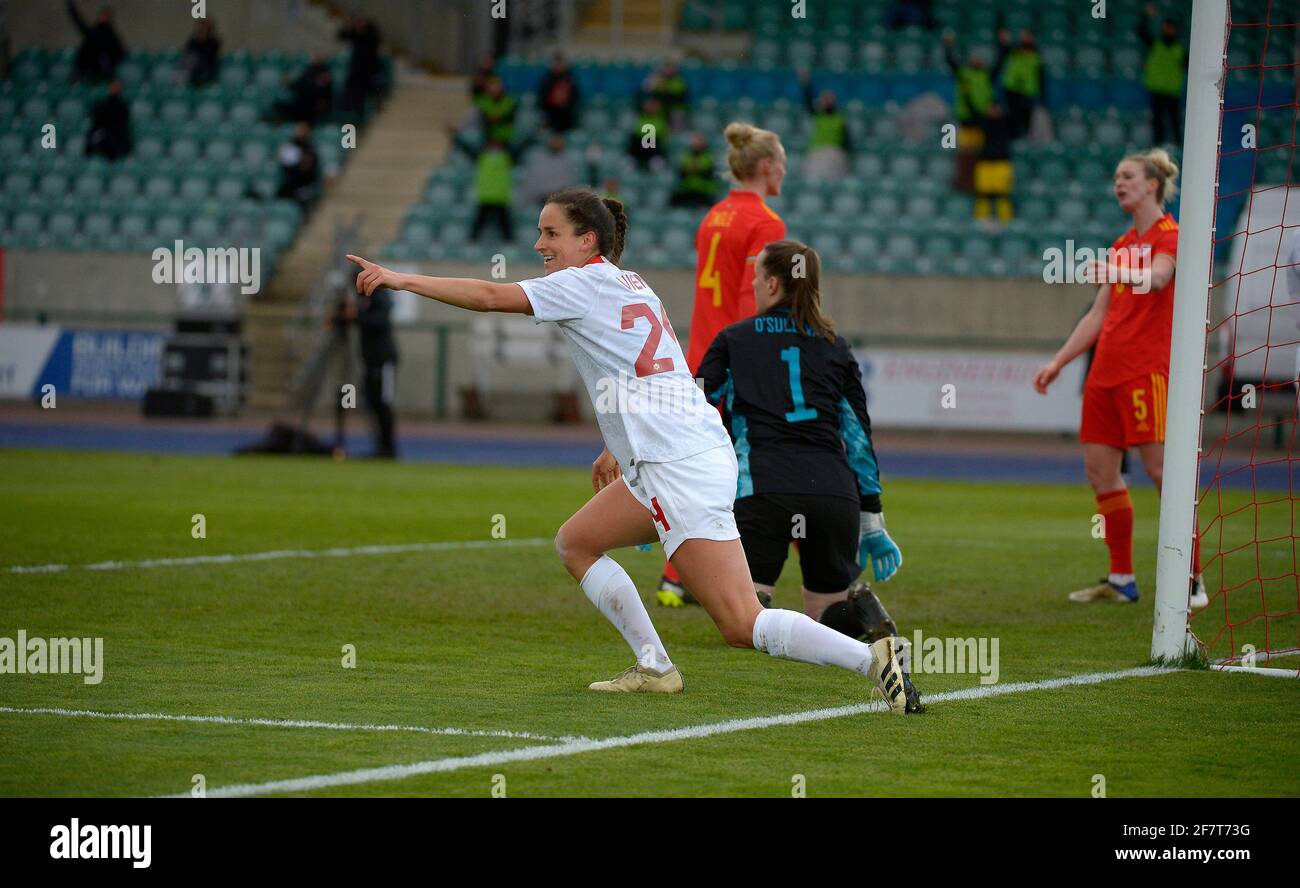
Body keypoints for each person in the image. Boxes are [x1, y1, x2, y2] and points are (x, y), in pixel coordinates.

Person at [344, 189, 911, 712]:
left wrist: (400, 279)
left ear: (587, 240)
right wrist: (614, 445)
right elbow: (641, 370)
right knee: (577, 543)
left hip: (675, 464)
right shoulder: (629, 281)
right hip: (672, 454)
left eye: (550, 233)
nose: (539, 244)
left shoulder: (582, 283)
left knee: (741, 623)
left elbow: (493, 295)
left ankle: (872, 659)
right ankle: (654, 665)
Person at [698, 239, 920, 712]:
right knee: (823, 616)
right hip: (834, 494)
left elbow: (693, 411)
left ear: (773, 283)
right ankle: (860, 612)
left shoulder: (734, 340)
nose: (754, 285)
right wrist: (872, 516)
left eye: (758, 276)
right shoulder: (834, 347)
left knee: (744, 617)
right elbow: (858, 436)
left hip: (764, 490)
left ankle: (835, 626)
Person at [1032, 149, 1206, 608]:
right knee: (1100, 473)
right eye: (1115, 177)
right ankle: (1122, 579)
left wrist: (1117, 272)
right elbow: (1098, 315)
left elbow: (1159, 279)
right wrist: (1060, 362)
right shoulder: (1122, 242)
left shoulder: (1172, 235)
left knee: (1161, 472)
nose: (1118, 184)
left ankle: (1192, 579)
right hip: (1105, 375)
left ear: (1152, 183)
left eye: (1127, 176)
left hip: (1146, 371)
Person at [657, 121, 786, 607]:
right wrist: (754, 364)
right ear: (768, 166)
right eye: (783, 165)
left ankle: (676, 576)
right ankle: (748, 581)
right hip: (733, 363)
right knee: (754, 470)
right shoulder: (767, 224)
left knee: (696, 471)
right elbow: (746, 299)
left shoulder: (713, 216)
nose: (785, 174)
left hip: (698, 358)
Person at [943, 31, 1002, 194]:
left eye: (980, 58)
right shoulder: (963, 74)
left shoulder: (987, 75)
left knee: (979, 156)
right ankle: (962, 183)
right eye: (974, 57)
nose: (977, 60)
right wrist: (948, 46)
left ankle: (977, 185)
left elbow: (1000, 63)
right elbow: (950, 62)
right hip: (965, 122)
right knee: (964, 155)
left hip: (982, 124)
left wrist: (1003, 45)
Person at [350, 286, 399, 458]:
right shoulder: (362, 299)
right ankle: (380, 446)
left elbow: (380, 320)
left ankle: (388, 448)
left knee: (383, 404)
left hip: (383, 361)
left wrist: (357, 316)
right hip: (370, 362)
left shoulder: (380, 296)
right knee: (372, 403)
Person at [1138, 5, 1186, 146]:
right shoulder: (1155, 44)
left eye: (1171, 27)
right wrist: (1147, 16)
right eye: (1166, 26)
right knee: (1157, 122)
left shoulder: (1180, 50)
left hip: (1172, 91)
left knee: (1174, 121)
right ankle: (1157, 148)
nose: (1168, 29)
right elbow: (1141, 31)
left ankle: (1178, 147)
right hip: (1156, 89)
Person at [799, 71, 850, 180]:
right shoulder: (818, 115)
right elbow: (808, 101)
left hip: (834, 153)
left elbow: (847, 140)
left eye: (829, 98)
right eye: (824, 98)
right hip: (818, 151)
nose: (826, 101)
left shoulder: (840, 119)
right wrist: (806, 83)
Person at [998, 28, 1046, 140]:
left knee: (1026, 121)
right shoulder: (1014, 51)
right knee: (1011, 120)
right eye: (1024, 36)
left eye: (1028, 36)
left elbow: (1040, 77)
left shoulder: (1036, 55)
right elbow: (1003, 51)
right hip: (1012, 90)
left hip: (1028, 92)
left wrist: (1043, 97)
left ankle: (1025, 142)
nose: (1026, 39)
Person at [973, 101, 1015, 227]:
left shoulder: (1007, 123)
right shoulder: (983, 123)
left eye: (997, 108)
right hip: (985, 164)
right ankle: (981, 223)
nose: (994, 111)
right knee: (983, 196)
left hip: (1002, 163)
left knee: (1003, 196)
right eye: (992, 108)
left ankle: (1006, 224)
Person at [67, 1, 124, 83]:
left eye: (106, 16)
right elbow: (79, 22)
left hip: (100, 70)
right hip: (85, 67)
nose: (103, 18)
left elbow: (119, 52)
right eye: (102, 15)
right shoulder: (93, 31)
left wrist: (107, 61)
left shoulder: (111, 35)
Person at [337, 15, 384, 115]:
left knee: (373, 87)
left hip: (370, 67)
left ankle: (376, 105)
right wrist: (347, 26)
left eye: (361, 23)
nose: (359, 26)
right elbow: (341, 36)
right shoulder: (354, 34)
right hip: (357, 67)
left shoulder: (371, 35)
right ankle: (353, 111)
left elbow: (376, 42)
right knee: (352, 88)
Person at [520, 133, 578, 208]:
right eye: (554, 142)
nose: (556, 144)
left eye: (559, 142)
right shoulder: (540, 160)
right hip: (543, 199)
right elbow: (531, 183)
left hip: (562, 198)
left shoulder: (569, 161)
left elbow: (572, 182)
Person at [276, 54, 334, 124]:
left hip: (312, 104)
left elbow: (319, 90)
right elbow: (299, 84)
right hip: (301, 100)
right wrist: (289, 84)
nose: (314, 57)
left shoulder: (324, 73)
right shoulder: (309, 70)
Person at [276, 122, 321, 210]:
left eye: (303, 130)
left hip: (306, 184)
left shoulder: (311, 149)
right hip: (290, 183)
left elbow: (308, 167)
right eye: (299, 130)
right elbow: (283, 161)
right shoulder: (290, 146)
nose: (300, 132)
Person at [84, 79, 131, 160]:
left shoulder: (122, 107)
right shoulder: (101, 107)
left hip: (118, 140)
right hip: (105, 137)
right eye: (112, 87)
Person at [669, 132, 718, 208]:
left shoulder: (708, 156)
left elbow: (708, 173)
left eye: (698, 141)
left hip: (703, 190)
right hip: (688, 189)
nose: (696, 144)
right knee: (674, 200)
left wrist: (694, 168)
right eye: (694, 141)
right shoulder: (686, 156)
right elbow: (682, 173)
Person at [537, 53, 580, 133]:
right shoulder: (546, 79)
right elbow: (542, 98)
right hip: (550, 114)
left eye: (560, 63)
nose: (558, 66)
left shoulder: (571, 79)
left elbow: (576, 97)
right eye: (556, 63)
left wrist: (565, 101)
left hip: (567, 115)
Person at [626, 95, 669, 171]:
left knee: (653, 141)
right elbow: (637, 133)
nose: (651, 107)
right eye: (649, 105)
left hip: (654, 150)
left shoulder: (661, 120)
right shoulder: (639, 118)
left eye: (654, 105)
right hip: (639, 149)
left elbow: (662, 137)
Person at [475, 77, 517, 147]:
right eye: (491, 86)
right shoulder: (481, 101)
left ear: (503, 88)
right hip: (485, 140)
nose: (494, 89)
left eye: (497, 86)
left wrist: (490, 118)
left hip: (507, 140)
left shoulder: (510, 101)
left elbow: (496, 118)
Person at [182, 18, 221, 88]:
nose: (202, 28)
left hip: (206, 72)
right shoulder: (192, 41)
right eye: (201, 25)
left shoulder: (214, 42)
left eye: (205, 26)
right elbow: (187, 55)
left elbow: (209, 57)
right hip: (191, 71)